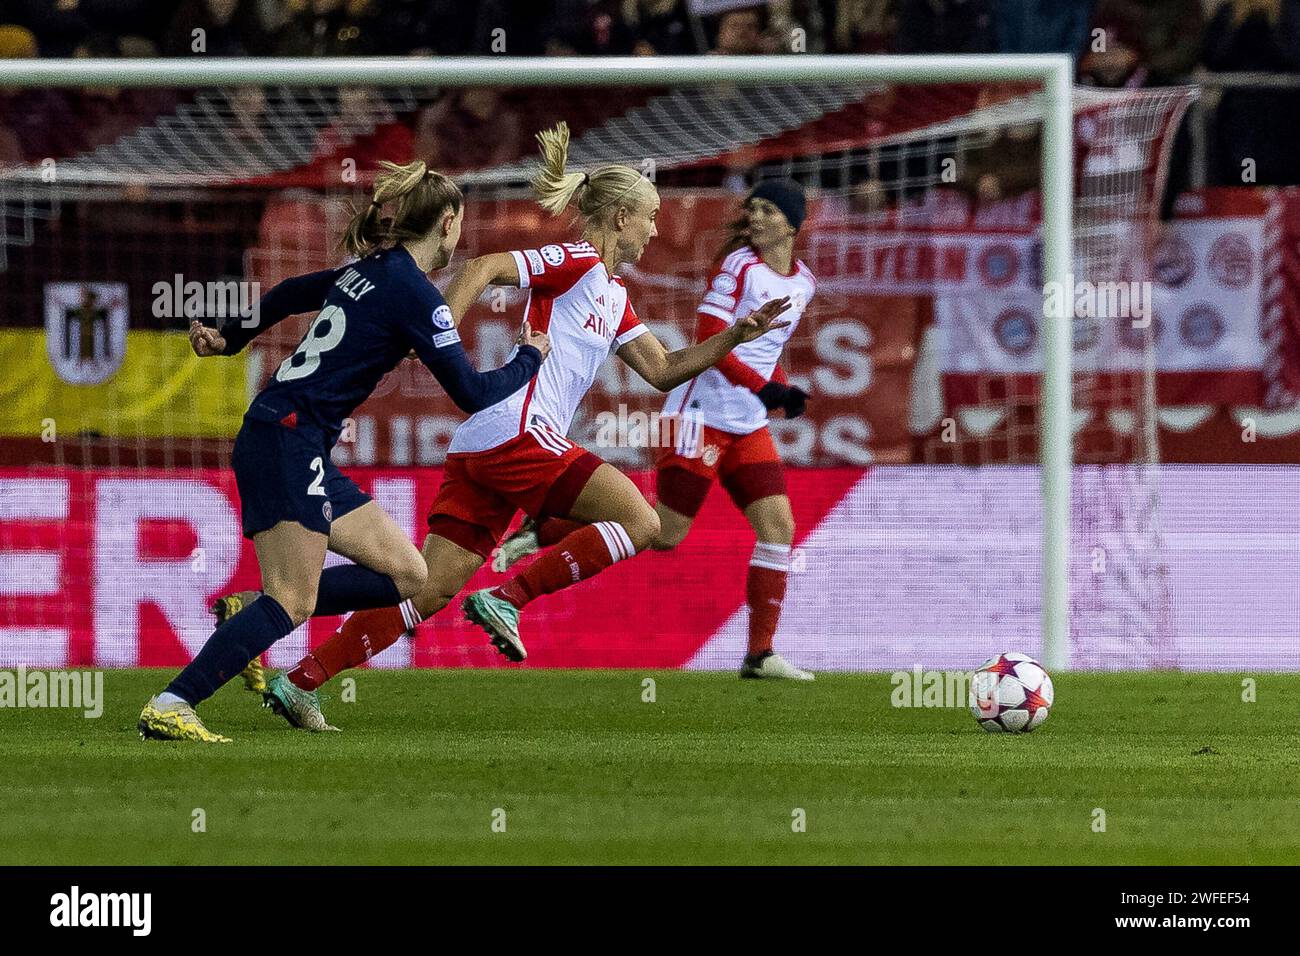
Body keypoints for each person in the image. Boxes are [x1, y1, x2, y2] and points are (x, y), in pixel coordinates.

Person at [234, 121, 790, 730]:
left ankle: (297, 675)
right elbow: (486, 265)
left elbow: (662, 370)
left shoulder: (613, 296)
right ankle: (508, 597)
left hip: (485, 441)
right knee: (642, 521)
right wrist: (440, 329)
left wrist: (736, 336)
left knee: (428, 587)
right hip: (518, 430)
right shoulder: (578, 260)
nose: (656, 229)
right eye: (651, 216)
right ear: (621, 217)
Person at [137, 159, 549, 742]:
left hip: (293, 440)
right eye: (461, 222)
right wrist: (530, 356)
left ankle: (249, 610)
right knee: (292, 601)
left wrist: (230, 337)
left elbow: (288, 293)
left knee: (408, 573)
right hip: (287, 439)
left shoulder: (369, 271)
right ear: (448, 223)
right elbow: (473, 394)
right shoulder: (417, 295)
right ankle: (173, 702)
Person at [501, 181, 817, 680]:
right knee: (665, 532)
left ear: (793, 224)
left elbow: (765, 350)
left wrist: (778, 387)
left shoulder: (804, 283)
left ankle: (760, 654)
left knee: (779, 528)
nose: (755, 217)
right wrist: (765, 388)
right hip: (698, 416)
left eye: (768, 210)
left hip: (747, 422)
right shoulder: (739, 266)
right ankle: (544, 529)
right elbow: (711, 337)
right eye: (752, 208)